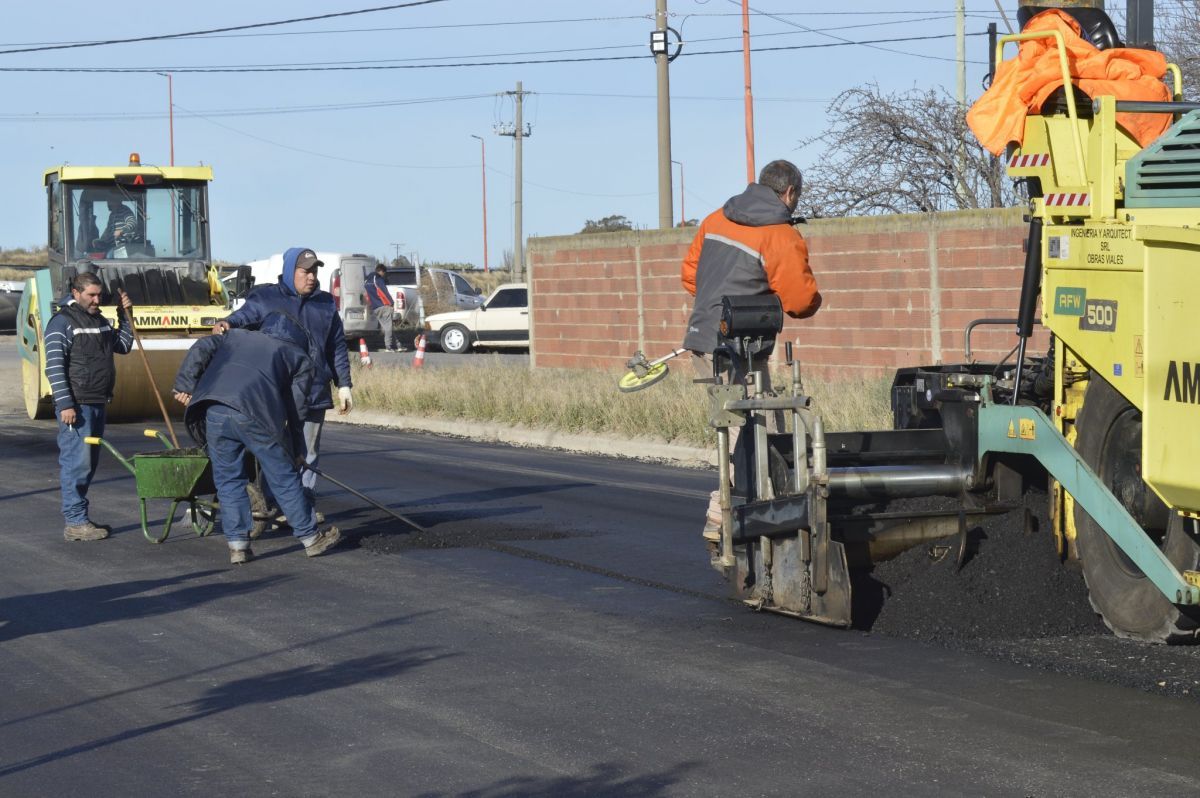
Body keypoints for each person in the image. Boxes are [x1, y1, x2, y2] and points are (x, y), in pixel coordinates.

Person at [680, 159, 822, 549]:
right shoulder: (779, 233)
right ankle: (726, 514)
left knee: (734, 423)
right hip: (739, 345)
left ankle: (748, 508)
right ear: (789, 193)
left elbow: (690, 274)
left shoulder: (715, 219)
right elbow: (800, 299)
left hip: (704, 338)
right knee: (753, 428)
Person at [173, 312, 343, 564]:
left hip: (215, 411)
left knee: (229, 480)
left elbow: (202, 345)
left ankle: (238, 545)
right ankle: (311, 538)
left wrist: (185, 384)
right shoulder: (298, 357)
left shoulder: (236, 337)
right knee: (282, 476)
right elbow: (296, 411)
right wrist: (296, 450)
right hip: (256, 414)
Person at [212, 248, 353, 520]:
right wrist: (226, 323)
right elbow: (245, 316)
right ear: (291, 271)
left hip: (313, 390)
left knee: (308, 451)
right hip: (273, 392)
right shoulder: (266, 298)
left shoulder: (325, 304)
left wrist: (344, 384)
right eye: (305, 271)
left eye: (314, 271)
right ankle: (271, 504)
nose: (311, 277)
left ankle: (304, 507)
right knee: (274, 449)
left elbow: (336, 346)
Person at [44, 272, 134, 541]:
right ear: (76, 293)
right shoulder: (61, 323)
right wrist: (65, 404)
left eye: (99, 295)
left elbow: (124, 345)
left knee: (89, 464)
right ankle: (74, 522)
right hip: (77, 406)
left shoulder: (100, 321)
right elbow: (54, 367)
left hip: (97, 401)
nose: (96, 300)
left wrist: (125, 315)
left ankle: (80, 518)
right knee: (76, 463)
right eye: (91, 295)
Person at [363, 262, 400, 352]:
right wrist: (391, 303)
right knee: (388, 328)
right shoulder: (378, 279)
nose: (384, 275)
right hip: (384, 305)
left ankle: (399, 345)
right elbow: (384, 292)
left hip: (375, 308)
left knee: (388, 327)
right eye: (384, 273)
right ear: (381, 271)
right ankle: (389, 347)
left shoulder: (367, 281)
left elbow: (367, 295)